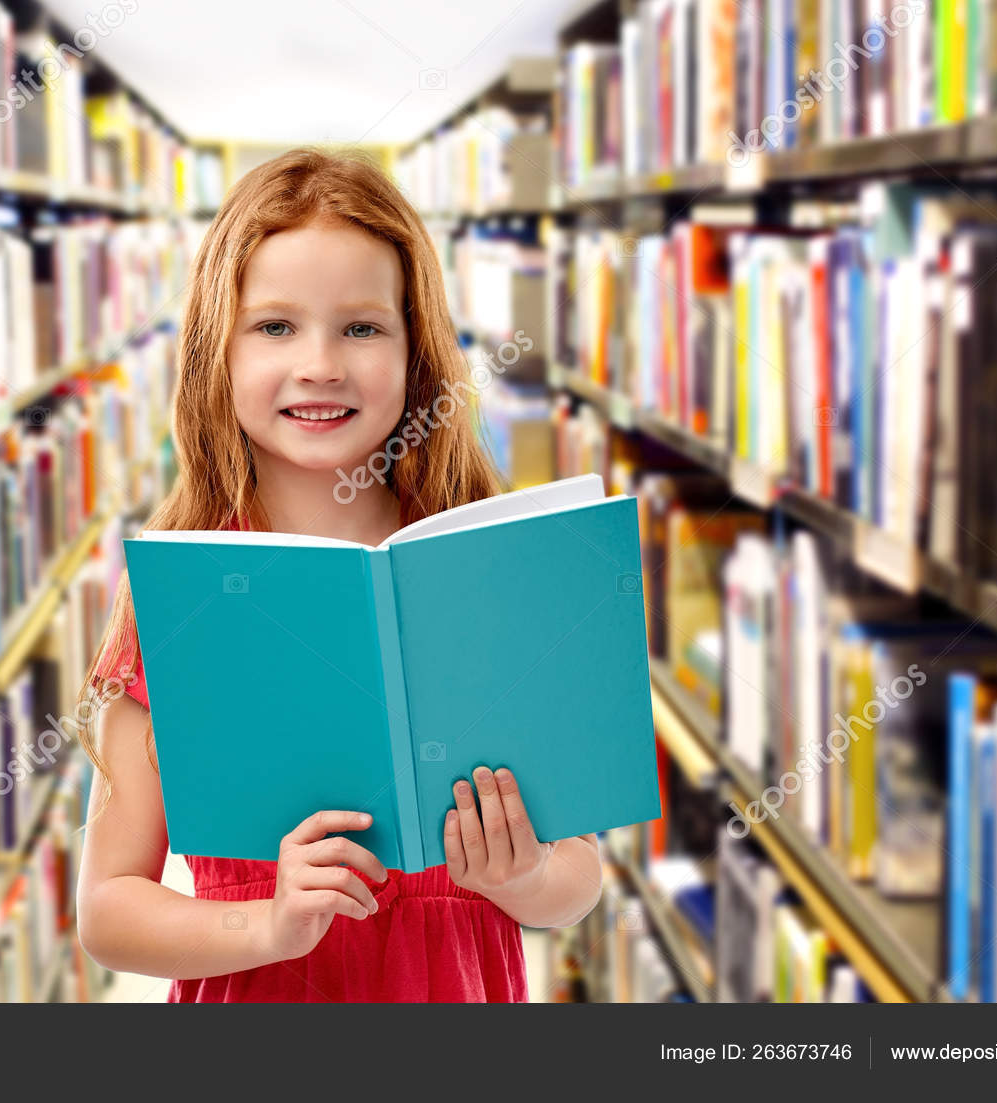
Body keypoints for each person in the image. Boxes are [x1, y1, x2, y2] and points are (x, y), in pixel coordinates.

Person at [74, 148, 603, 1002]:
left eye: (361, 327)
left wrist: (523, 872)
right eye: (275, 326)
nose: (320, 363)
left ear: (416, 351)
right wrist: (268, 923)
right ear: (220, 353)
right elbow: (106, 909)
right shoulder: (180, 593)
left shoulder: (492, 571)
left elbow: (582, 879)